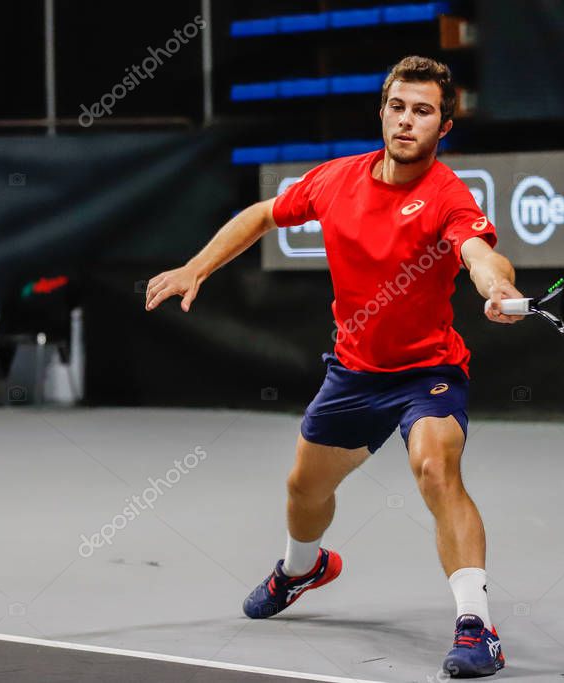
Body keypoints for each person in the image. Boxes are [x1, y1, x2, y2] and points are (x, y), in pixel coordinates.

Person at [145, 56, 523, 678]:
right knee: (303, 489)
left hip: (425, 372)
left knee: (435, 469)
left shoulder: (448, 198)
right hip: (352, 373)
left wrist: (495, 287)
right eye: (397, 107)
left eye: (423, 111)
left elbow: (482, 255)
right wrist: (197, 267)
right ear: (381, 112)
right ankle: (303, 568)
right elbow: (264, 214)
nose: (407, 121)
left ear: (444, 127)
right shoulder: (336, 181)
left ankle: (476, 627)